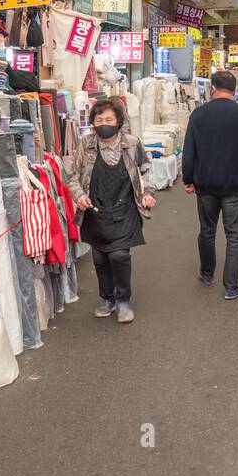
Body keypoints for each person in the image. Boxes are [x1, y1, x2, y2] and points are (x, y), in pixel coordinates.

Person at [66, 97, 156, 324]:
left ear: (118, 121)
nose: (103, 123)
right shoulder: (85, 144)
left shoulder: (132, 143)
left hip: (125, 208)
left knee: (119, 254)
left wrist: (148, 193)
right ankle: (106, 298)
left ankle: (123, 299)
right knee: (100, 257)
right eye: (99, 119)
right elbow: (73, 176)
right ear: (93, 123)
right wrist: (79, 195)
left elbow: (146, 170)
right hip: (95, 209)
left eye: (109, 118)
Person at [182, 70, 238, 299]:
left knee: (207, 231)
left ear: (213, 87)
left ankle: (207, 272)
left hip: (206, 184)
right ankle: (231, 286)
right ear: (234, 89)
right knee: (235, 235)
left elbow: (189, 151)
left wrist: (188, 179)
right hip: (236, 186)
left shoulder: (198, 115)